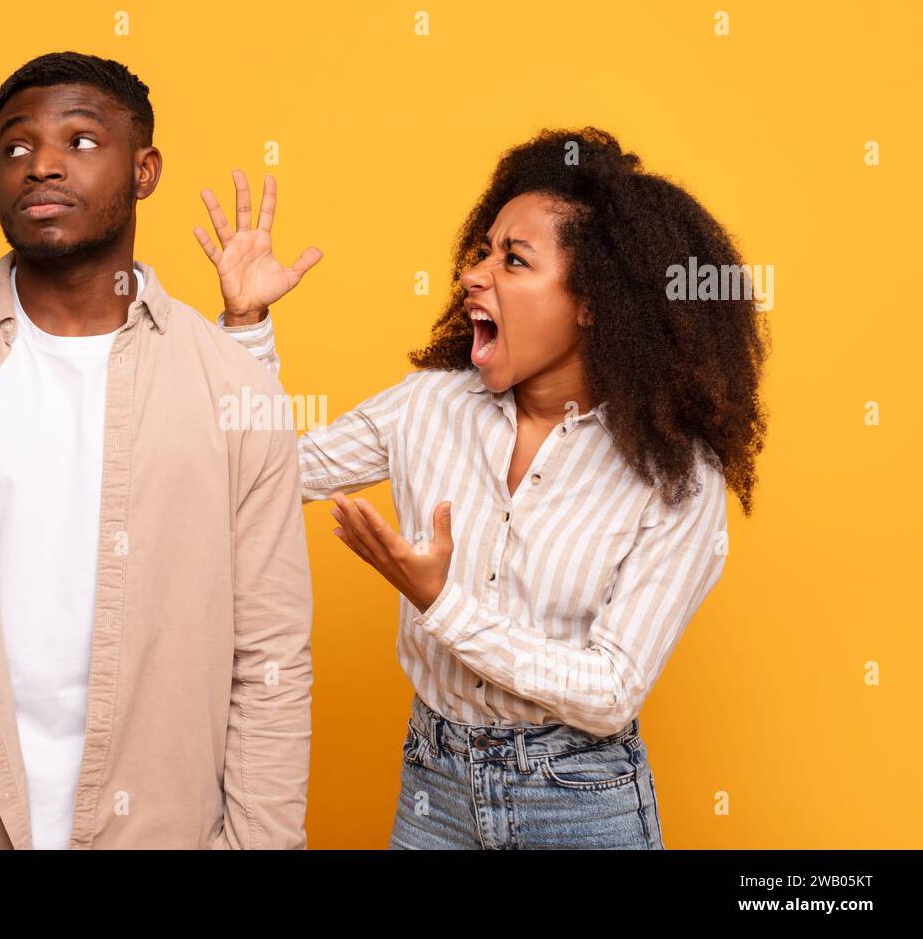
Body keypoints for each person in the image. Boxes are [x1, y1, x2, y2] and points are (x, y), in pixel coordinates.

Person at [199, 128, 769, 848]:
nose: (475, 275)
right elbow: (262, 476)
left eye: (514, 260)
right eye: (483, 251)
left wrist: (442, 604)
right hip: (435, 783)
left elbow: (610, 693)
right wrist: (247, 325)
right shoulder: (428, 405)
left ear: (594, 302)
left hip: (579, 801)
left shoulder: (677, 478)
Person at [0, 51, 313, 850]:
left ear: (144, 171)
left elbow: (272, 658)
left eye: (80, 141)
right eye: (16, 147)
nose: (40, 164)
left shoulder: (231, 388)